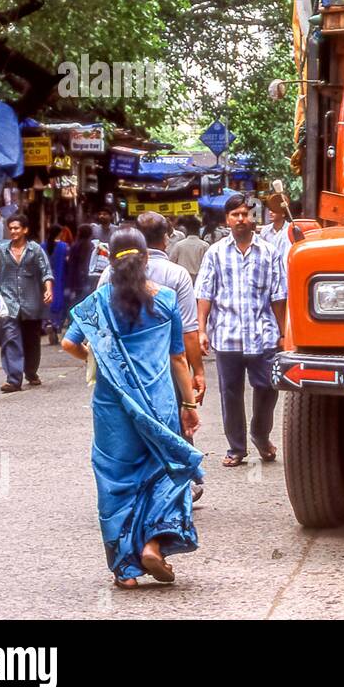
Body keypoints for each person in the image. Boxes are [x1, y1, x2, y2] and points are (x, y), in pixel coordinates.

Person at [61, 228, 203, 588]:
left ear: (108, 258)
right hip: (159, 405)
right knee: (161, 472)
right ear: (146, 259)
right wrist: (189, 404)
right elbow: (177, 359)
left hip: (112, 410)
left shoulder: (95, 305)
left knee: (116, 481)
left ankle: (124, 569)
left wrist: (96, 359)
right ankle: (152, 543)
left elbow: (68, 343)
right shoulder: (166, 299)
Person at [98, 212, 208, 500]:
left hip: (121, 371)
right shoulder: (176, 276)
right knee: (174, 421)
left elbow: (97, 328)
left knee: (130, 425)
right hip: (164, 368)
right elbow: (187, 333)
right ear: (165, 238)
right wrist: (197, 372)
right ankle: (177, 484)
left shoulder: (108, 276)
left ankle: (139, 488)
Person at [196, 193, 288, 467]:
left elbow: (278, 295)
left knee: (267, 388)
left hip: (264, 336)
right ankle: (237, 448)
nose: (240, 219)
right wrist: (201, 330)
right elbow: (204, 293)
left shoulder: (269, 251)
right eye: (235, 215)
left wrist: (285, 333)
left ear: (252, 217)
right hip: (227, 336)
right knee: (231, 394)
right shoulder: (215, 253)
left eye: (245, 214)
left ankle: (260, 434)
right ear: (227, 220)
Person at [0, 214, 54, 392]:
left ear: (25, 230)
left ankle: (30, 371)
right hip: (9, 302)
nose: (13, 231)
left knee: (31, 341)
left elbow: (46, 271)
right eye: (10, 228)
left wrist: (48, 289)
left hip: (31, 302)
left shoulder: (35, 250)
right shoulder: (2, 251)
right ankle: (13, 379)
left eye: (16, 228)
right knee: (10, 339)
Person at [43, 224, 71, 343]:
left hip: (44, 281)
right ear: (60, 233)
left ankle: (48, 323)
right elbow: (68, 263)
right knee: (60, 305)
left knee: (47, 304)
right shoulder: (64, 247)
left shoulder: (41, 246)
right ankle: (55, 325)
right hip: (60, 279)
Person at [168, 218, 209, 282]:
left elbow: (171, 262)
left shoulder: (179, 245)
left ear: (186, 230)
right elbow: (208, 264)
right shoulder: (204, 246)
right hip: (199, 278)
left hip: (182, 278)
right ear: (198, 230)